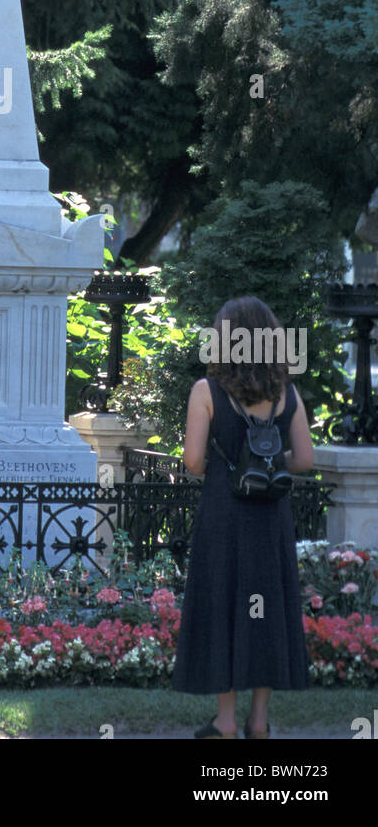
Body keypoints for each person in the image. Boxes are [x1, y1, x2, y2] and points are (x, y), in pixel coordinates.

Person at [171, 296, 315, 739]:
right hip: (269, 519)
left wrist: (230, 462)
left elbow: (193, 461)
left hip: (223, 517)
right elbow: (305, 460)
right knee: (264, 610)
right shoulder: (287, 392)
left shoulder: (206, 391)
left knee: (224, 607)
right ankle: (259, 720)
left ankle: (226, 721)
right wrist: (271, 463)